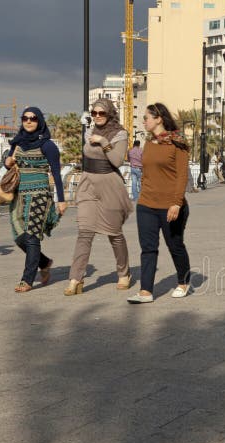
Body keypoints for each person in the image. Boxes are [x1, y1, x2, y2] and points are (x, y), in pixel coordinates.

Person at [64, 98, 132, 296]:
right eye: (94, 113)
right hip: (88, 183)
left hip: (110, 184)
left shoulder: (120, 134)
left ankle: (124, 273)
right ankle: (75, 278)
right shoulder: (88, 132)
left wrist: (103, 142)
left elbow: (117, 161)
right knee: (84, 231)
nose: (97, 117)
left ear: (109, 114)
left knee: (114, 233)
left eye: (101, 113)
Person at [128, 103, 192, 303]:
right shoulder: (148, 144)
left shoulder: (177, 143)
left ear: (159, 119)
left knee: (175, 245)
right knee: (148, 248)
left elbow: (182, 176)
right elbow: (147, 174)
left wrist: (176, 203)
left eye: (147, 117)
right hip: (146, 204)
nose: (144, 121)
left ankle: (183, 282)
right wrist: (141, 199)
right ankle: (146, 291)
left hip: (171, 205)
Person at [3, 107, 67, 292]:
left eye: (33, 119)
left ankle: (27, 279)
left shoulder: (48, 145)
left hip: (39, 194)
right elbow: (9, 164)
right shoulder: (17, 142)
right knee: (19, 236)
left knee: (32, 237)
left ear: (39, 121)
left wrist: (61, 200)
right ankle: (44, 262)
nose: (29, 121)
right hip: (19, 194)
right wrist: (7, 163)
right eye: (25, 118)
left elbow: (56, 173)